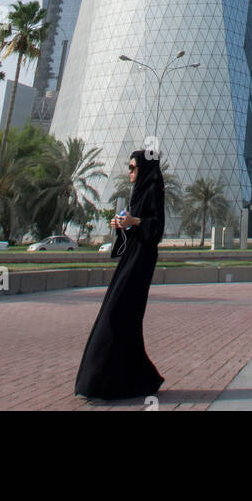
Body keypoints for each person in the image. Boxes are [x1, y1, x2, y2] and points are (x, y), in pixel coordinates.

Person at [74, 147, 165, 400]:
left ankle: (101, 380)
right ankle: (138, 378)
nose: (129, 172)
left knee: (118, 313)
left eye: (132, 167)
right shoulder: (137, 192)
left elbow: (156, 228)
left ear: (144, 169)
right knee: (124, 317)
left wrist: (133, 222)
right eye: (128, 167)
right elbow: (134, 226)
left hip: (142, 259)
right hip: (131, 256)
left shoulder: (154, 189)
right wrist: (120, 225)